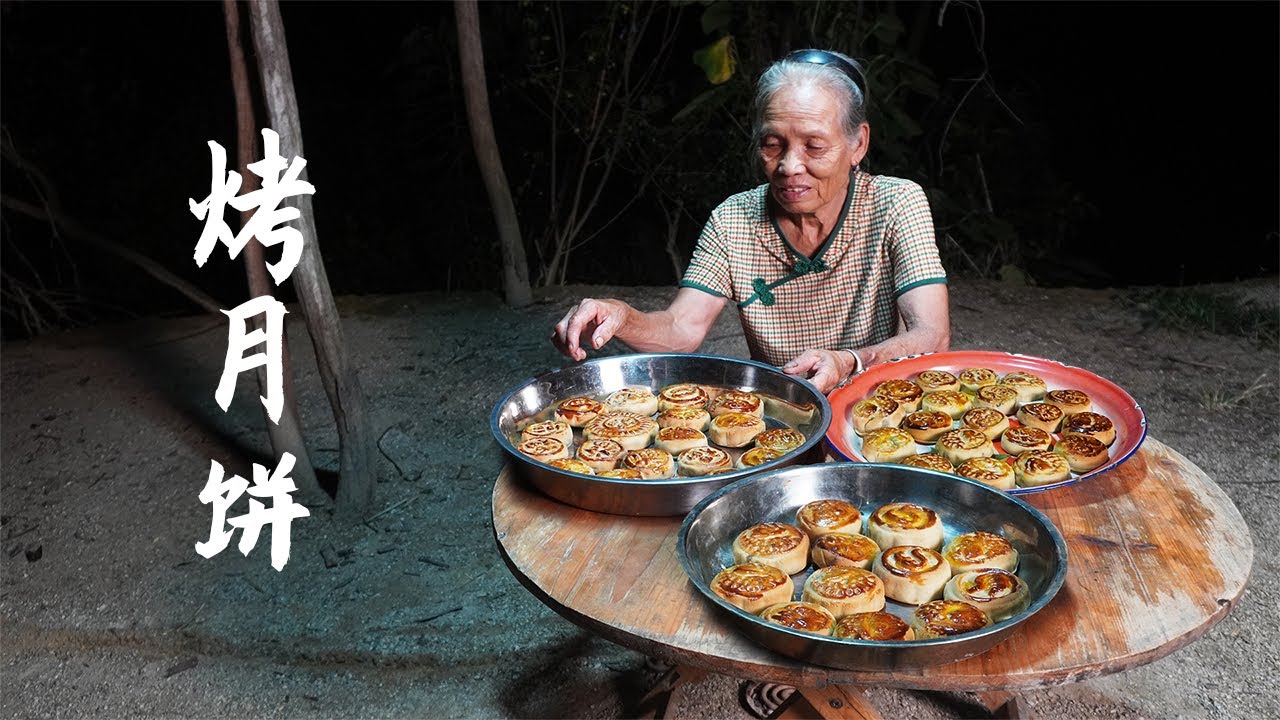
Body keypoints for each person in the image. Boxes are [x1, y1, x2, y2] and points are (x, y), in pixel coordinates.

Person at [552, 48, 949, 394]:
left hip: (878, 402)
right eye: (772, 144)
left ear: (857, 144)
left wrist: (848, 361)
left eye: (814, 146)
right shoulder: (733, 220)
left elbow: (932, 334)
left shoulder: (895, 202)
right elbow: (680, 328)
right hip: (786, 413)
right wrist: (621, 314)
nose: (790, 166)